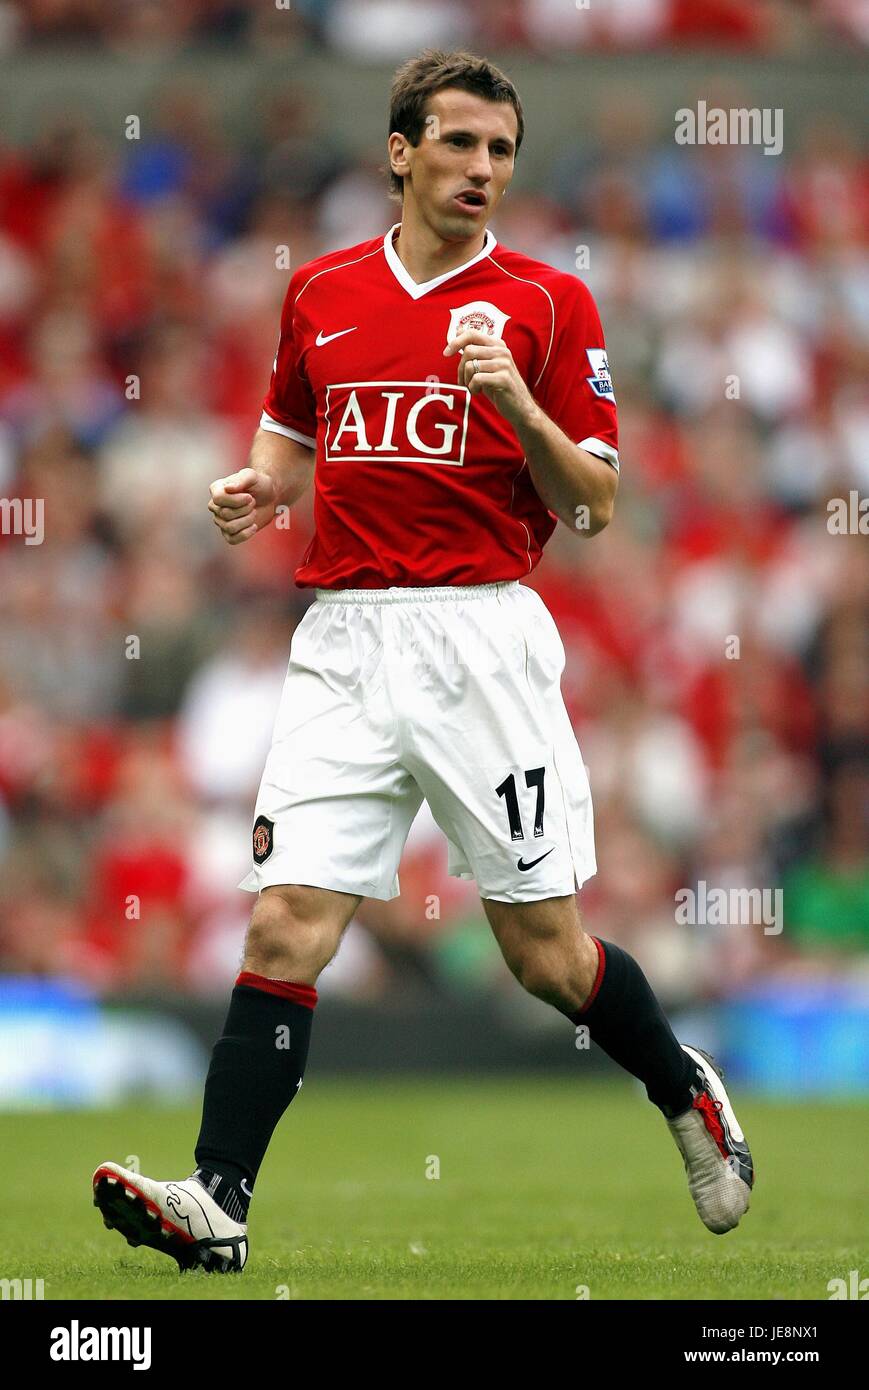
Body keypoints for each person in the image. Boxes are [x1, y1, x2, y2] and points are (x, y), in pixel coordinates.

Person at [93, 49, 752, 1273]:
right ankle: (220, 1200)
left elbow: (597, 501)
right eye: (458, 144)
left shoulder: (549, 304)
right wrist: (256, 490)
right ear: (401, 151)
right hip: (341, 637)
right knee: (285, 923)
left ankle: (679, 1086)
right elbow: (289, 439)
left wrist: (515, 403)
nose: (481, 170)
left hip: (478, 637)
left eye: (500, 150)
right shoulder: (324, 292)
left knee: (542, 955)